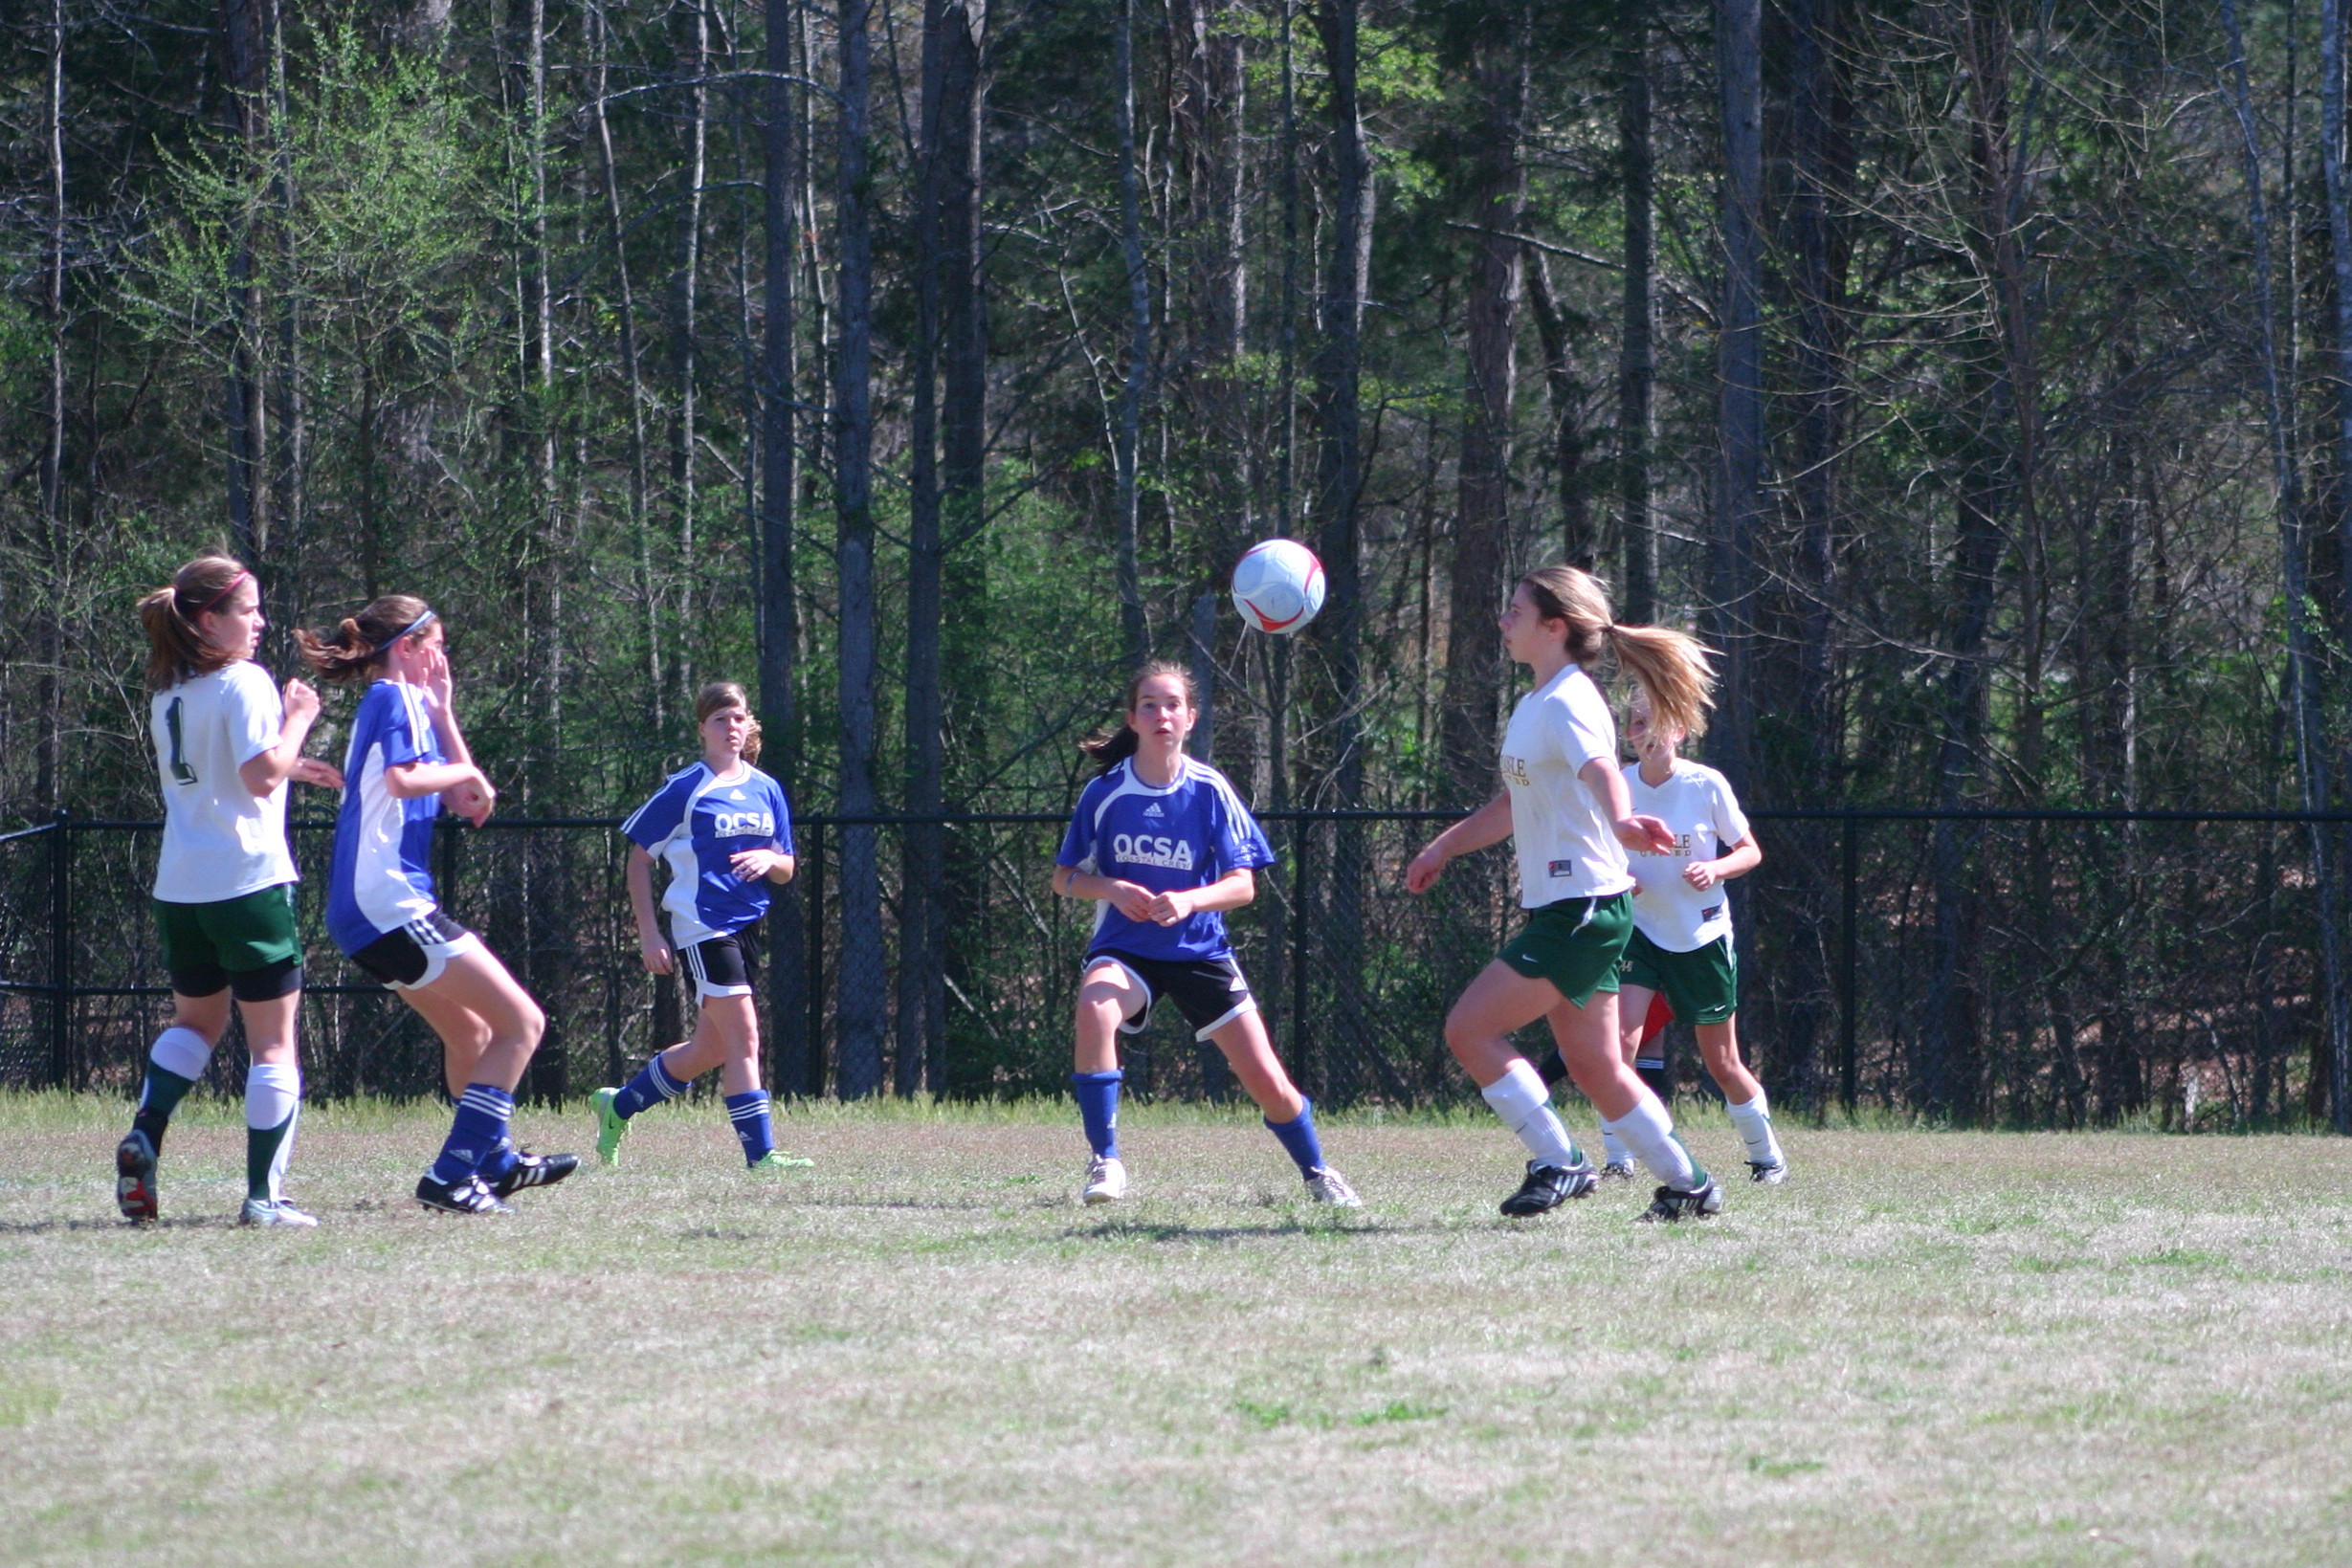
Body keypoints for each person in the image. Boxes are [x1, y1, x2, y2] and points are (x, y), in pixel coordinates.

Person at [1404, 565, 1724, 1223]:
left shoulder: (1572, 699)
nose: (1503, 621)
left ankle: (1559, 1159)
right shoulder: (1535, 703)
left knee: (1469, 1028)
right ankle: (1689, 1184)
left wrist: (1624, 819)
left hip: (1581, 908)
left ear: (1555, 627)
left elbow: (1602, 769)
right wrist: (1444, 847)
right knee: (1599, 1068)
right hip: (1579, 906)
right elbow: (1512, 804)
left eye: (1515, 611)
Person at [298, 595, 578, 1215]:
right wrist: (454, 775)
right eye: (438, 644)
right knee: (522, 1024)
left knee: (472, 1031)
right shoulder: (389, 698)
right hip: (389, 904)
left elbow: (473, 800)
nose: (443, 658)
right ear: (408, 646)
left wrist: (447, 716)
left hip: (367, 912)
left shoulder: (416, 707)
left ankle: (496, 1164)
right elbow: (405, 780)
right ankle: (452, 1173)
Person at [1052, 662, 1360, 1207]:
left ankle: (1317, 1171)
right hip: (1127, 948)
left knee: (1269, 1083)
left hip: (1200, 950)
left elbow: (1243, 887)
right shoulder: (1104, 793)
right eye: (1149, 704)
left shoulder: (1210, 789)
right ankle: (1105, 1160)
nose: (1161, 714)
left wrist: (1190, 900)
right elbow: (1064, 879)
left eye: (1172, 704)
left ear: (1190, 718)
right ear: (1133, 718)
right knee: (1095, 1006)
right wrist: (1112, 889)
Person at [117, 556, 344, 1227]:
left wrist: (293, 764)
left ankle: (146, 1131)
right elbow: (257, 778)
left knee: (196, 1024)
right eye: (248, 609)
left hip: (182, 885)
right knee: (272, 1045)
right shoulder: (245, 680)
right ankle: (264, 1199)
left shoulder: (171, 692)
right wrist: (300, 716)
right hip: (246, 882)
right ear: (208, 619)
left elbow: (230, 773)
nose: (260, 621)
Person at [591, 681, 812, 1173]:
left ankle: (620, 1105)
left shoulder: (766, 787)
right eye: (720, 720)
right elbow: (637, 861)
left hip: (748, 924)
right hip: (702, 927)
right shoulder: (685, 789)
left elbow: (788, 867)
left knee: (711, 1048)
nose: (731, 728)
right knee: (746, 1037)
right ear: (702, 729)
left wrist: (768, 857)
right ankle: (762, 1156)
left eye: (738, 718)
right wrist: (650, 933)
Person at [1611, 693, 1786, 1182]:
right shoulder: (1618, 787)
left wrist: (1714, 867)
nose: (1644, 733)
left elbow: (1749, 851)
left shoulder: (1705, 784)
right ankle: (1619, 1158)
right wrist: (1621, 877)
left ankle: (1767, 1157)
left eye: (1655, 723)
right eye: (1636, 724)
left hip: (1700, 934)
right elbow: (1600, 851)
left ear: (1679, 732)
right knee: (1621, 1044)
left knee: (1722, 1061)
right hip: (1638, 930)